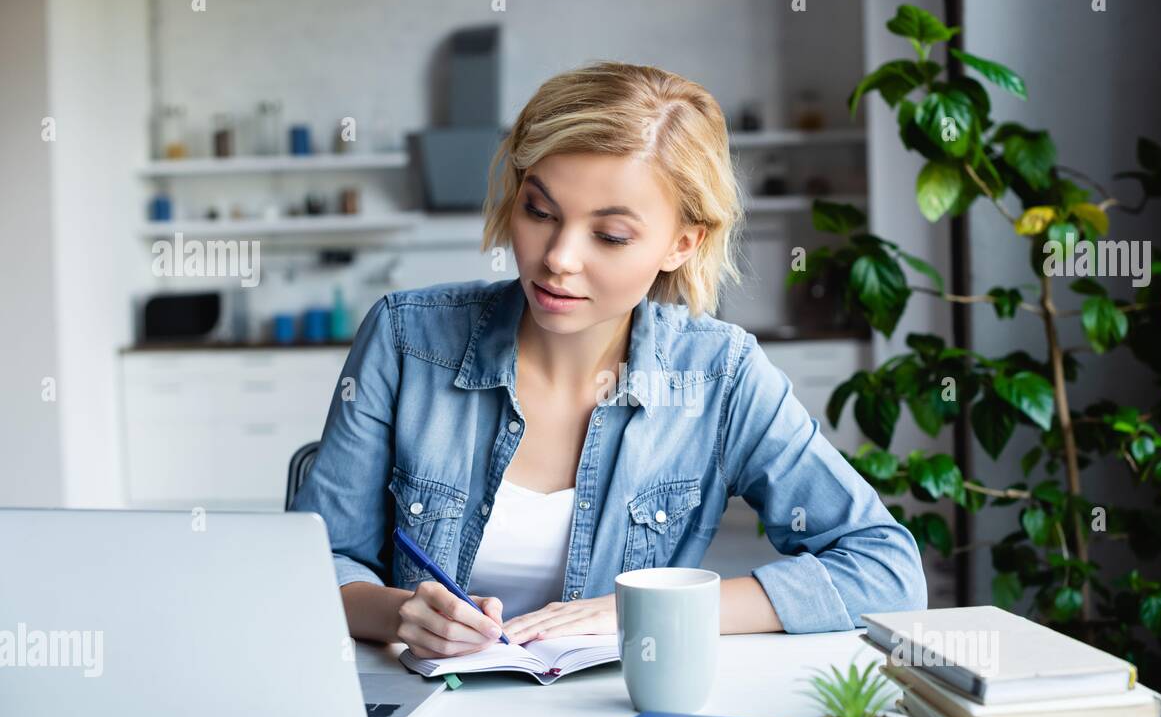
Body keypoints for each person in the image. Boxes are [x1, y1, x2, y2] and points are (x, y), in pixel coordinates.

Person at [290, 60, 926, 659]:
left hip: (616, 713)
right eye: (539, 211)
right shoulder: (406, 339)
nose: (558, 257)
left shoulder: (720, 377)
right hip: (429, 713)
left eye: (610, 235)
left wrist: (644, 610)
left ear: (682, 243)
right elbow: (314, 563)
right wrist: (400, 613)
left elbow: (885, 569)